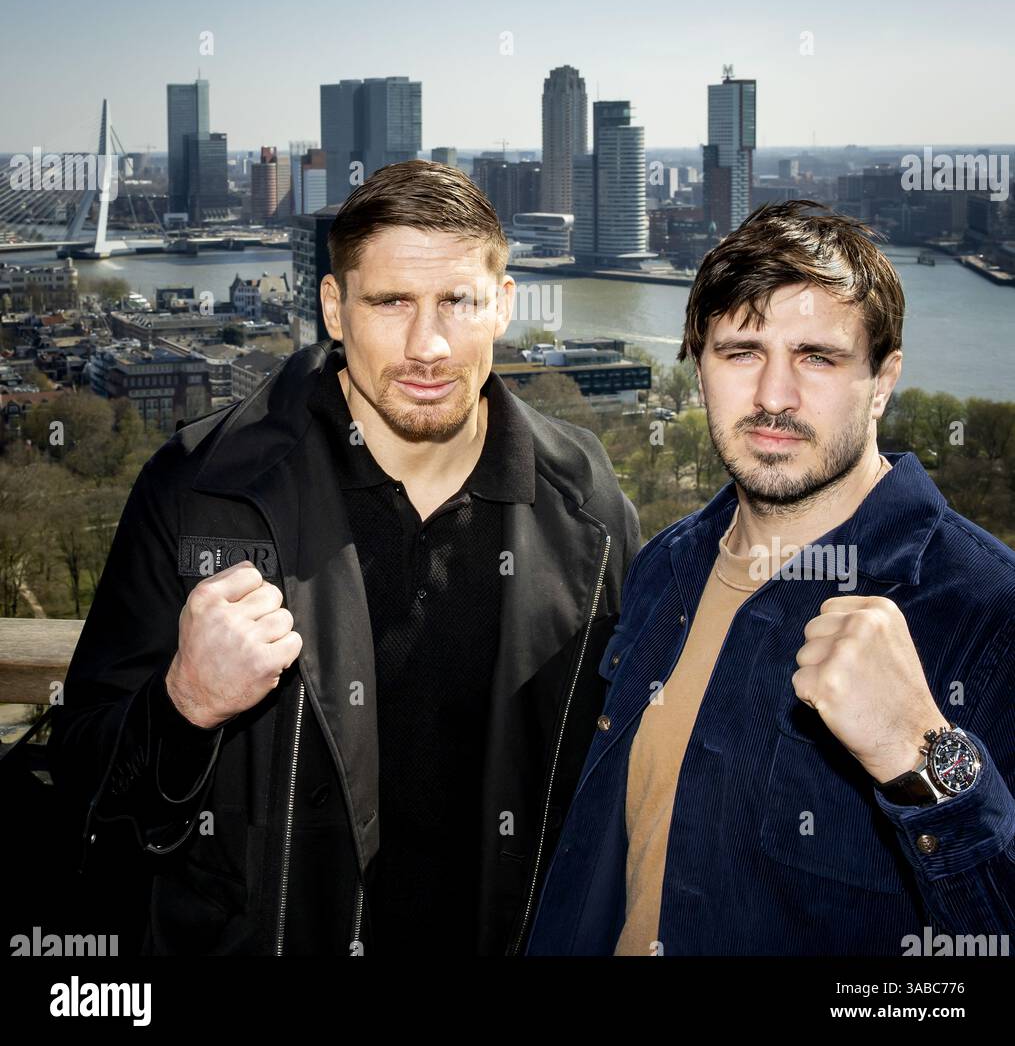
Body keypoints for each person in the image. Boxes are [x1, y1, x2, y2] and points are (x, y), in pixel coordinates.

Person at [49, 160, 640, 956]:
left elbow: (616, 789)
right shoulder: (201, 492)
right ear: (333, 308)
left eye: (456, 302)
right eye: (390, 301)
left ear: (503, 305)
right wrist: (182, 705)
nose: (426, 346)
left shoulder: (589, 512)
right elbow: (83, 791)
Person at [526, 200, 1015, 956]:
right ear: (699, 367)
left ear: (881, 381)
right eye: (740, 351)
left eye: (816, 356)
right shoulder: (665, 566)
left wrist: (920, 756)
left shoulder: (989, 612)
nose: (773, 398)